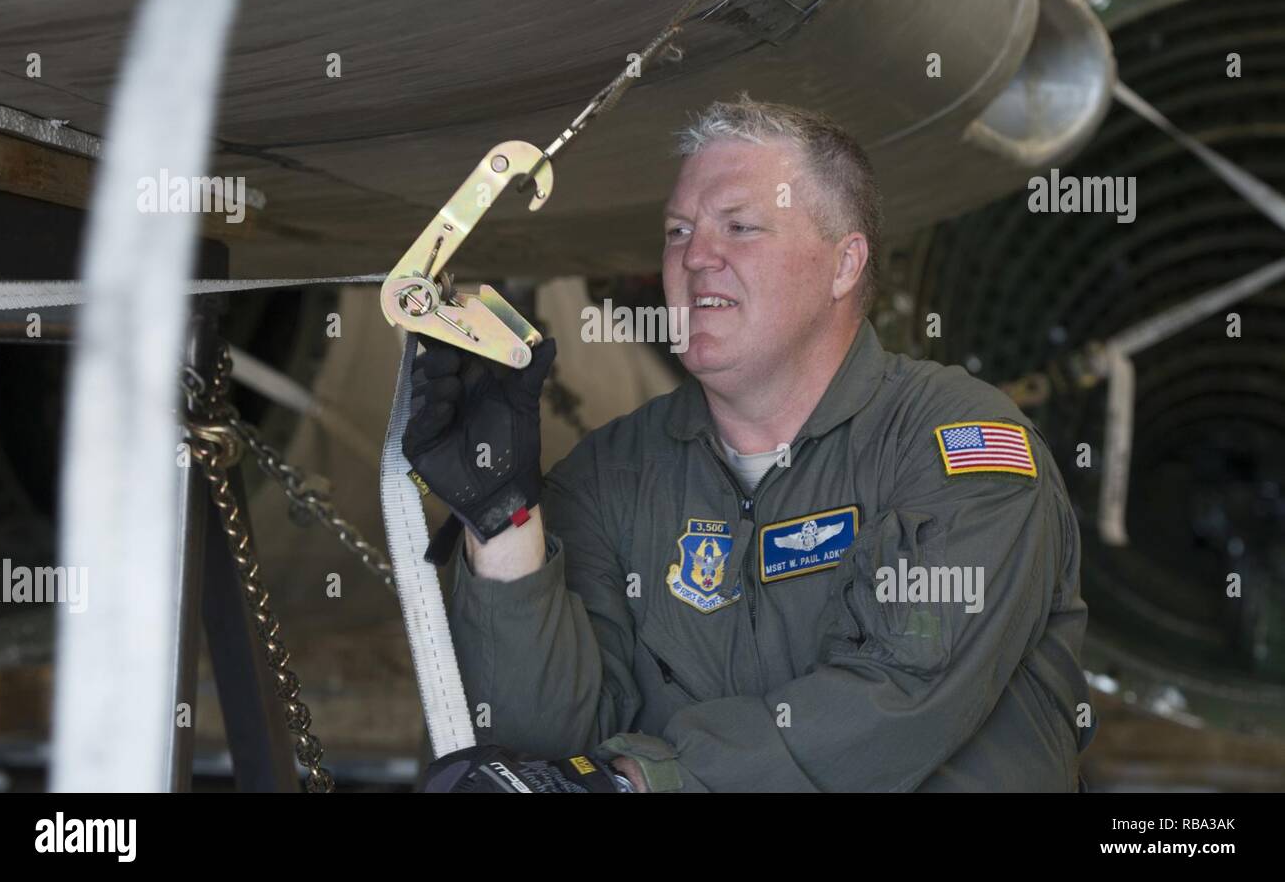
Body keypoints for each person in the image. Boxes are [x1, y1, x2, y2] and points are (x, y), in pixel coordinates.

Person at [405, 93, 1092, 793]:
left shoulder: (959, 448)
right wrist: (502, 525)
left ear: (844, 265)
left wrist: (643, 781)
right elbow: (537, 751)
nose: (698, 257)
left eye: (740, 227)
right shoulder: (611, 475)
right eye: (678, 232)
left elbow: (901, 692)